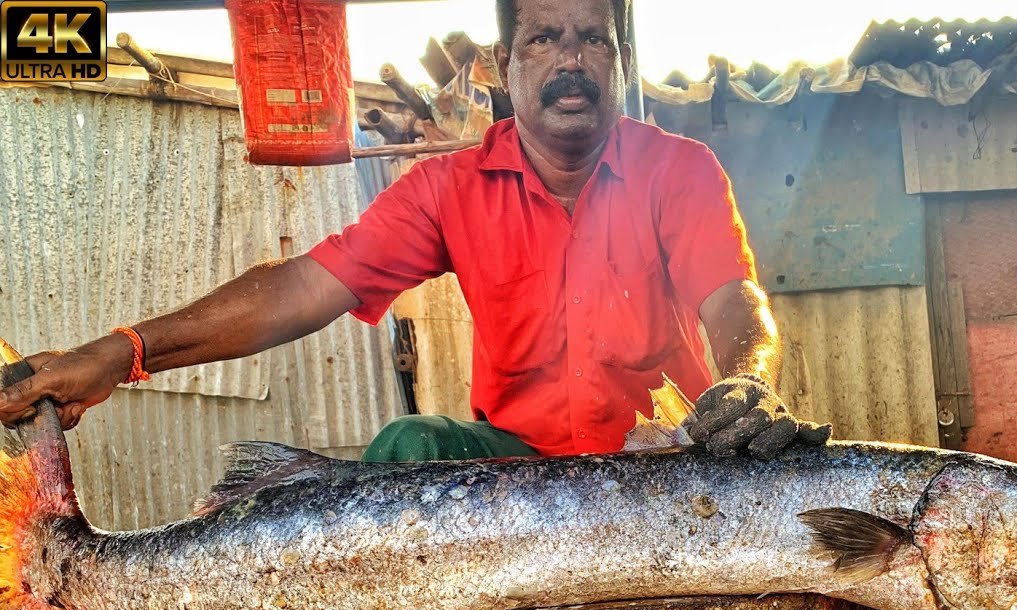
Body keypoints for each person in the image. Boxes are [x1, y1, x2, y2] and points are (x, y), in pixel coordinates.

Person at [0, 0, 829, 462]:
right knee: (409, 444)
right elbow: (302, 288)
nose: (571, 59)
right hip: (512, 470)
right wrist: (122, 352)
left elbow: (735, 301)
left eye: (593, 40)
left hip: (665, 460)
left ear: (620, 62)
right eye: (545, 38)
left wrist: (746, 381)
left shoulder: (678, 168)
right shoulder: (448, 189)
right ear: (505, 64)